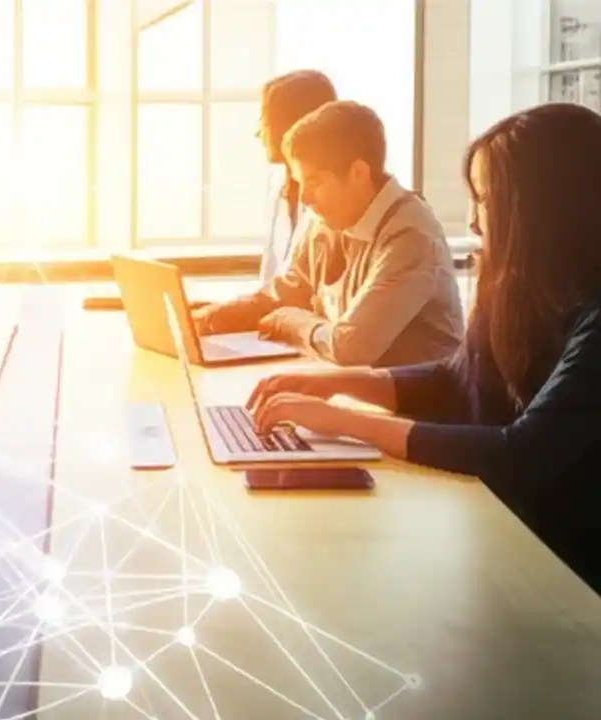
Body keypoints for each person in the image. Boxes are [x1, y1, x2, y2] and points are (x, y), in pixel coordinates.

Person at [249, 103, 601, 594]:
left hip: (570, 575)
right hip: (511, 537)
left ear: (543, 208)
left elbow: (523, 454)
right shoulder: (521, 285)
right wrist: (332, 384)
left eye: (485, 200)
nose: (473, 222)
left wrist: (345, 422)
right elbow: (457, 380)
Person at [193, 101, 464, 367]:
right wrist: (209, 317)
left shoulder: (411, 236)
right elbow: (286, 294)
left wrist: (291, 322)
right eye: (301, 183)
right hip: (350, 385)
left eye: (314, 182)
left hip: (415, 395)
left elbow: (352, 346)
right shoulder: (327, 220)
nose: (305, 198)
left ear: (358, 173)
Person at [256, 70, 338, 283]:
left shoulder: (335, 204)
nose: (258, 133)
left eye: (265, 121)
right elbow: (270, 283)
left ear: (291, 127)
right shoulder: (277, 187)